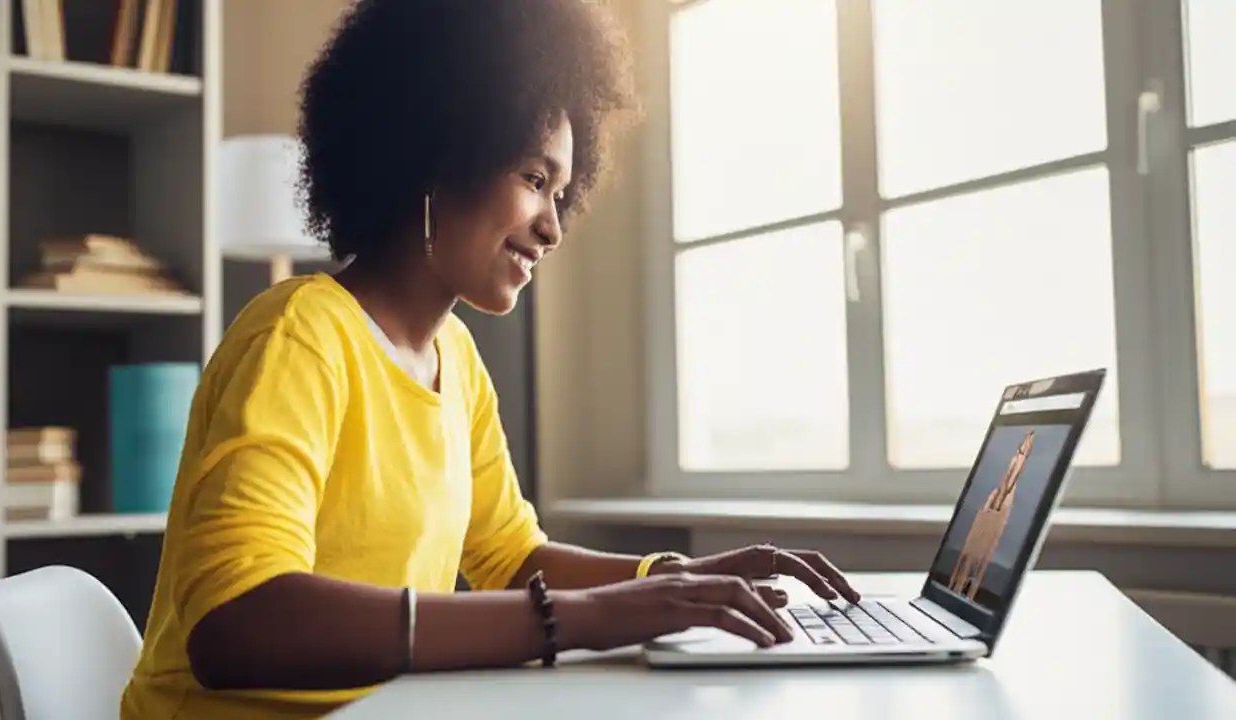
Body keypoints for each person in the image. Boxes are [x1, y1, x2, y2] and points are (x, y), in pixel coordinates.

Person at [120, 2, 861, 717]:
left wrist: (673, 580)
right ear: (438, 154)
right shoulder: (297, 336)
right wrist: (579, 618)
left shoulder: (456, 360)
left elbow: (510, 555)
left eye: (563, 194)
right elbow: (236, 624)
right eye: (535, 180)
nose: (552, 228)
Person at [949, 430, 1035, 601]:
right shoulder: (999, 489)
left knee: (976, 571)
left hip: (994, 520)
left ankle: (966, 595)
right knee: (964, 569)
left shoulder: (1009, 496)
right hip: (987, 518)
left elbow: (1010, 483)